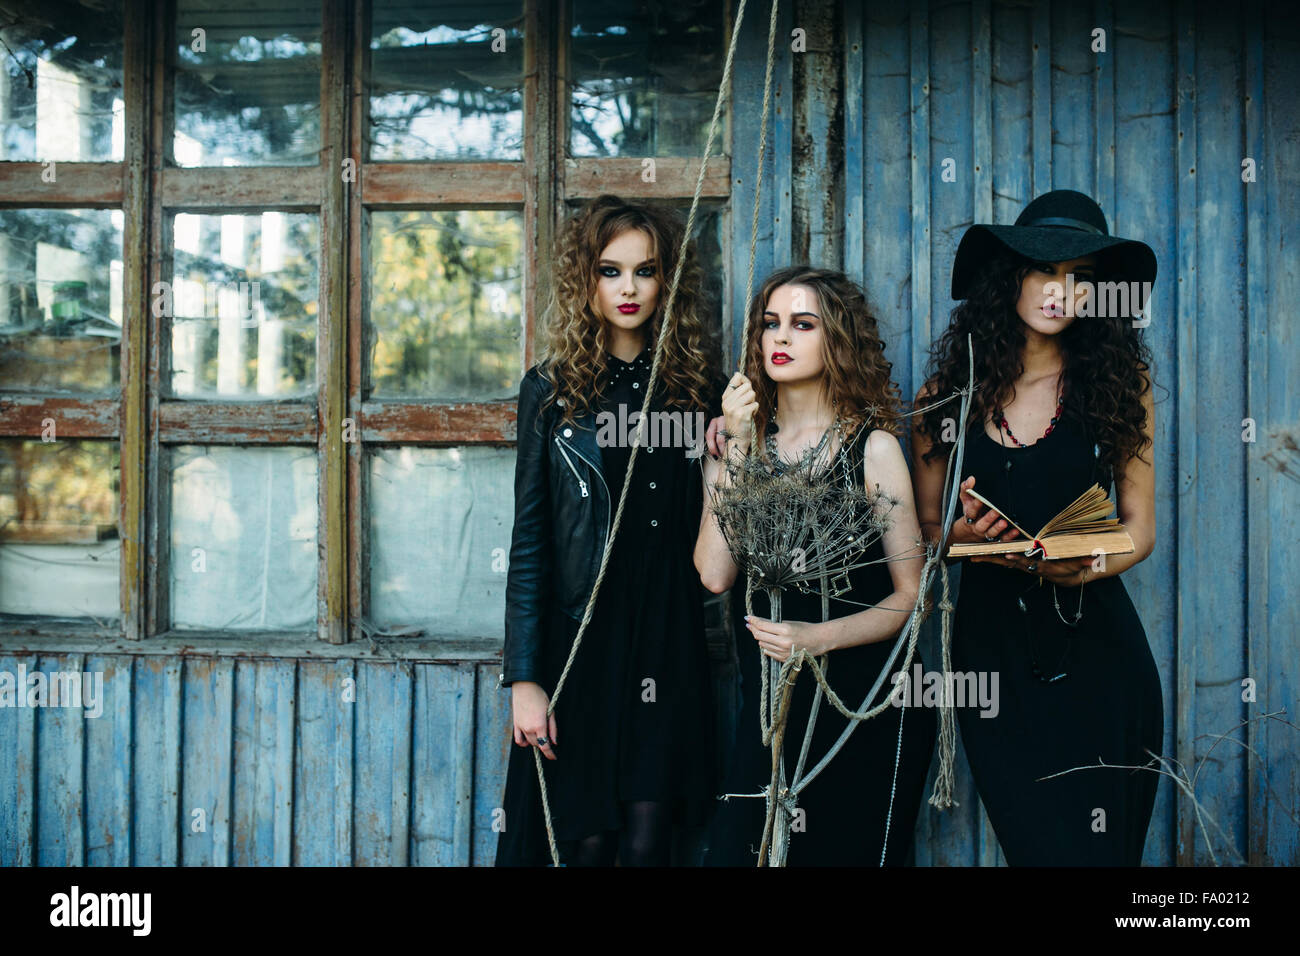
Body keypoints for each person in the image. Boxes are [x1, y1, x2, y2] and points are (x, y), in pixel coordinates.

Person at [910, 189, 1163, 865]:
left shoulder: (1118, 382)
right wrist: (965, 540)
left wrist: (1078, 565)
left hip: (1100, 656)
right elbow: (924, 530)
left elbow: (1139, 529)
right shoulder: (945, 398)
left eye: (1081, 278)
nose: (1061, 292)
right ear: (1008, 277)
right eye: (1044, 271)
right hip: (994, 664)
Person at [496, 195, 724, 866]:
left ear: (668, 282)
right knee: (583, 839)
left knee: (650, 842)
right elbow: (531, 538)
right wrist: (525, 678)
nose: (628, 289)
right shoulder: (551, 390)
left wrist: (727, 453)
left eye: (646, 271)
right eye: (610, 271)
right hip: (580, 640)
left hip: (667, 635)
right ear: (586, 280)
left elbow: (721, 522)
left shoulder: (696, 388)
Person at [696, 267, 936, 866]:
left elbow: (912, 594)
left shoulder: (872, 449)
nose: (782, 336)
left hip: (864, 702)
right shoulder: (737, 445)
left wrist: (817, 637)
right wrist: (740, 447)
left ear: (838, 341)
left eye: (804, 324)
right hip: (770, 702)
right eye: (771, 323)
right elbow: (713, 574)